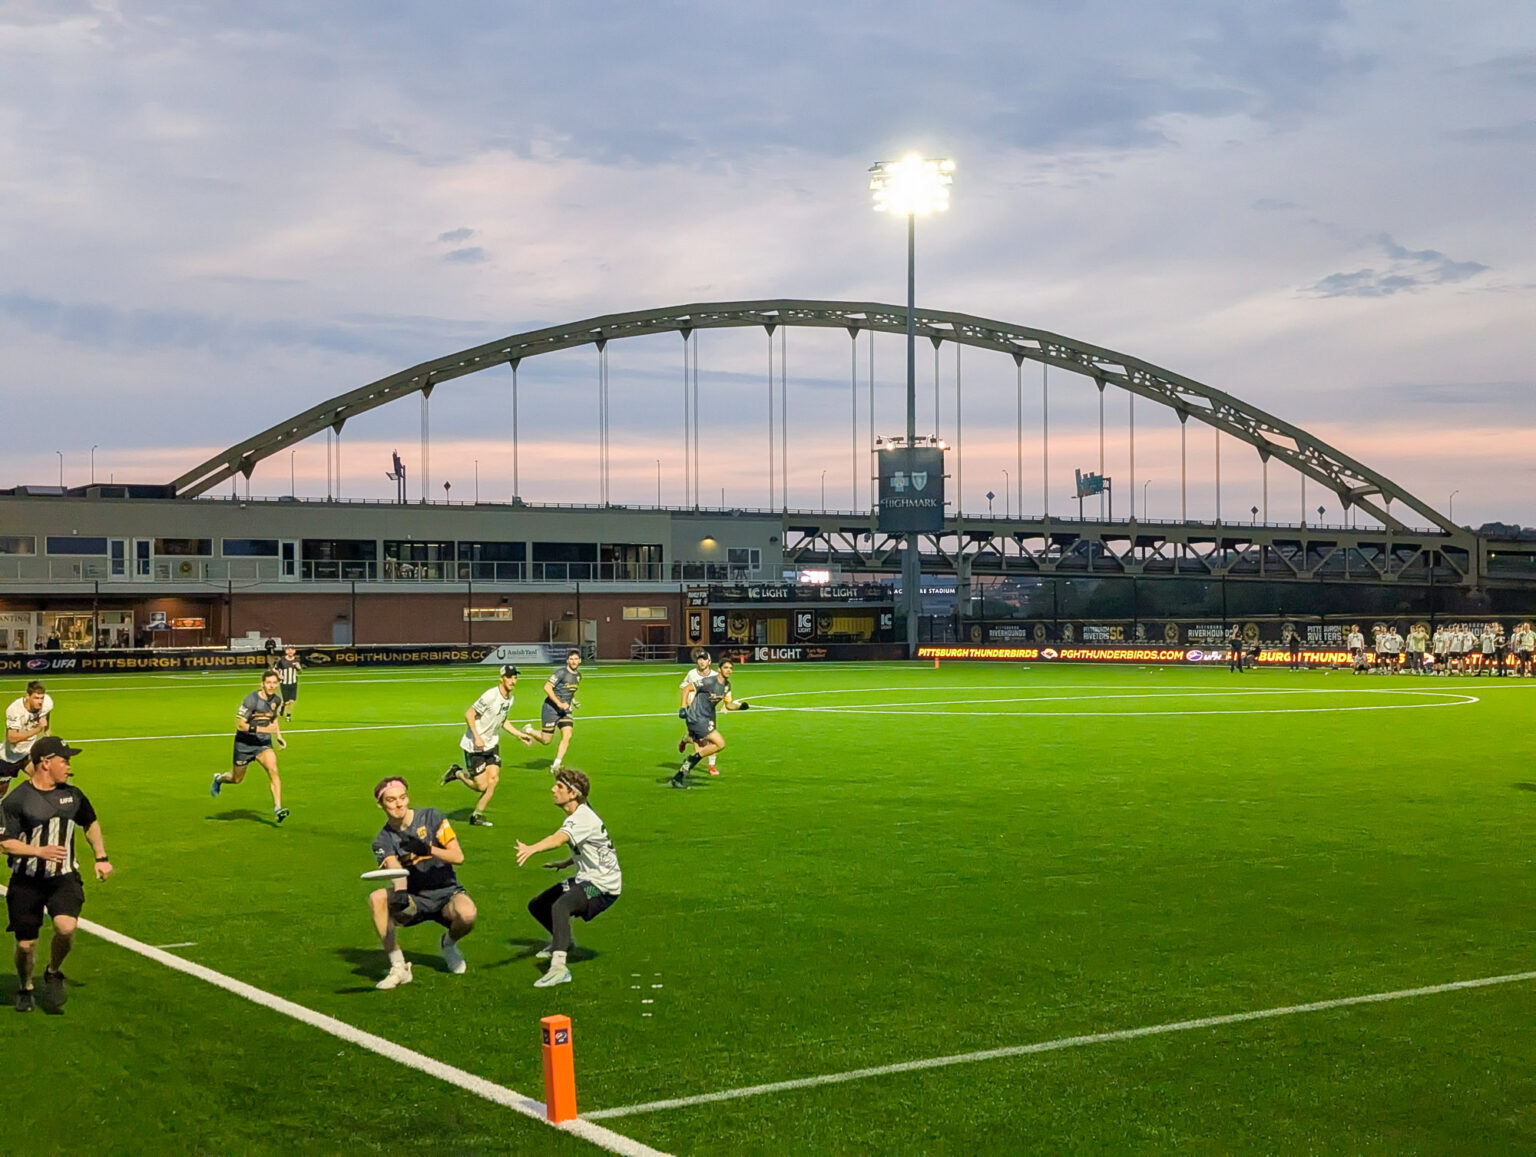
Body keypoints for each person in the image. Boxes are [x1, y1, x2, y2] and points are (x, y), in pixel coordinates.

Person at [1, 737, 112, 1013]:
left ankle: (53, 971)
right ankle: (25, 985)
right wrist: (38, 852)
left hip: (63, 877)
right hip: (26, 880)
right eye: (65, 760)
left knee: (66, 927)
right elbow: (4, 843)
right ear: (45, 764)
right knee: (26, 946)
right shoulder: (17, 800)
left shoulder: (73, 795)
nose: (69, 767)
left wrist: (101, 857)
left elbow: (90, 822)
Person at [368, 775, 476, 991]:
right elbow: (394, 868)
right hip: (415, 899)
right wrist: (400, 891)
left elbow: (458, 857)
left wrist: (428, 850)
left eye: (402, 797)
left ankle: (449, 944)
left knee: (468, 914)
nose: (399, 804)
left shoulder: (432, 817)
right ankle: (399, 967)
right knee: (377, 897)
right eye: (391, 800)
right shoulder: (382, 840)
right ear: (380, 804)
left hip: (447, 894)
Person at [515, 769, 621, 988]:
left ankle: (559, 968)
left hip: (602, 888)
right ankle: (564, 942)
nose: (553, 789)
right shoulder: (582, 814)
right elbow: (594, 849)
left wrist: (531, 849)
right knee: (539, 905)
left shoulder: (582, 818)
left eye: (559, 786)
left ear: (573, 793)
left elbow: (558, 839)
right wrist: (565, 863)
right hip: (587, 879)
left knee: (561, 906)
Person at [441, 665, 529, 827]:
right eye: (509, 677)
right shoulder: (491, 695)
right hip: (475, 747)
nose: (512, 681)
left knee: (493, 780)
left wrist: (518, 734)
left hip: (492, 744)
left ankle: (477, 815)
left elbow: (502, 720)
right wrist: (477, 736)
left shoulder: (510, 699)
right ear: (501, 678)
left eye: (515, 677)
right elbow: (469, 714)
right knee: (481, 786)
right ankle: (457, 773)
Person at [209, 669, 289, 823]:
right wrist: (263, 729)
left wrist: (278, 735)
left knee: (273, 769)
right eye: (268, 683)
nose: (271, 686)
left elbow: (273, 719)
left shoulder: (276, 700)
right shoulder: (251, 700)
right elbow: (240, 725)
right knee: (236, 779)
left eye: (274, 683)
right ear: (262, 684)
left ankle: (278, 808)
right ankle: (219, 779)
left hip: (263, 744)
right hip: (244, 744)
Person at [670, 658, 749, 789]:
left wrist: (740, 707)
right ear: (719, 669)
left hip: (707, 719)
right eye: (726, 668)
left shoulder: (727, 686)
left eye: (731, 668)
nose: (729, 670)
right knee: (719, 743)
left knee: (703, 747)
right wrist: (683, 707)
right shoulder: (709, 682)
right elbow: (687, 689)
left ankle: (680, 775)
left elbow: (728, 705)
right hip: (696, 717)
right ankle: (690, 761)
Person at [523, 650, 582, 773]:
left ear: (580, 660)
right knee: (546, 740)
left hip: (564, 711)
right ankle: (529, 730)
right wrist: (559, 703)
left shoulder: (578, 676)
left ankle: (556, 764)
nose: (574, 661)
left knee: (567, 735)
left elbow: (570, 691)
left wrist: (573, 701)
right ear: (567, 661)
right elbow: (547, 687)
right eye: (571, 659)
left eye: (576, 659)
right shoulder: (560, 673)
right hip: (551, 708)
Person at [2, 681, 53, 801]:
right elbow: (12, 737)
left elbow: (45, 713)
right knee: (1, 791)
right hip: (9, 757)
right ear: (27, 696)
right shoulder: (15, 710)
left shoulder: (47, 703)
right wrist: (38, 729)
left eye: (41, 698)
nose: (40, 701)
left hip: (28, 754)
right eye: (36, 698)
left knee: (46, 780)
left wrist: (47, 731)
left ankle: (48, 814)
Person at [677, 650, 722, 774]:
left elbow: (722, 690)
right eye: (699, 659)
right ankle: (688, 742)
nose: (701, 662)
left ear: (709, 661)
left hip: (708, 711)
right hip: (695, 711)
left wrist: (724, 704)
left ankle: (711, 765)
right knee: (700, 740)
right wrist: (684, 706)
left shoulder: (714, 675)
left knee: (712, 738)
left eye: (704, 659)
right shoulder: (692, 674)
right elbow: (684, 688)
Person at [274, 646, 303, 720]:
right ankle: (282, 708)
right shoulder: (282, 660)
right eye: (288, 650)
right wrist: (279, 676)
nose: (290, 651)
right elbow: (275, 669)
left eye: (292, 650)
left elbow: (300, 672)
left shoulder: (296, 660)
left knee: (292, 701)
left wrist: (299, 668)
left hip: (293, 683)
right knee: (286, 701)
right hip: (284, 683)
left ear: (294, 651)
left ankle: (288, 716)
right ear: (286, 651)